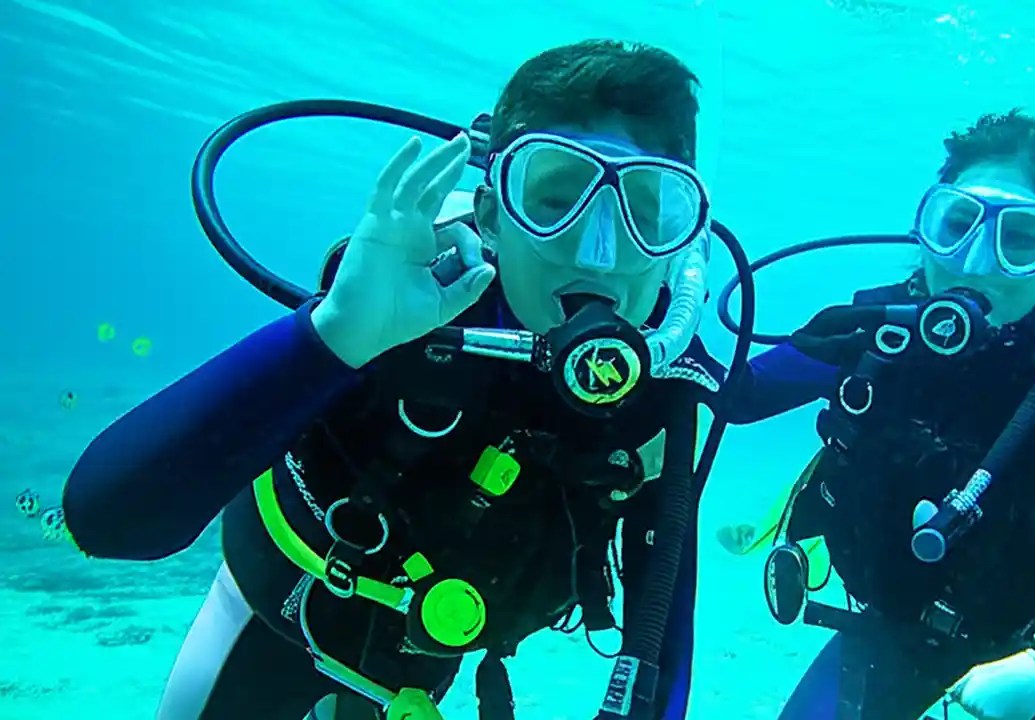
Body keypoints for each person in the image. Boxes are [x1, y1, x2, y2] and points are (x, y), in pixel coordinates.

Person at [61, 39, 725, 720]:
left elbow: (659, 638)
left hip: (421, 668)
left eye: (648, 214)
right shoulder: (401, 309)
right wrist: (336, 335)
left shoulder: (658, 389)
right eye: (553, 200)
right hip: (268, 629)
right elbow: (110, 521)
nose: (601, 253)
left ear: (685, 240)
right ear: (493, 215)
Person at [714, 110, 1035, 720]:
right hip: (886, 638)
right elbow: (729, 395)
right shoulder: (868, 338)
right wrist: (664, 296)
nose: (975, 263)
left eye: (1021, 238)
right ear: (927, 228)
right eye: (958, 224)